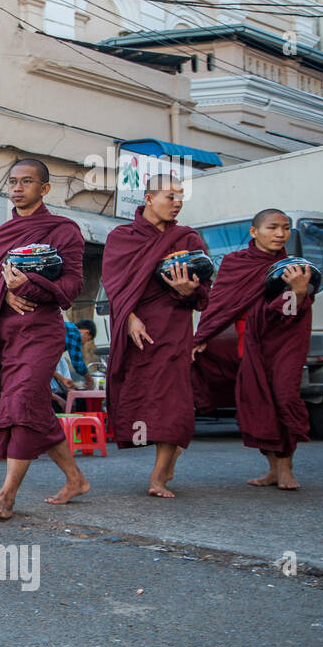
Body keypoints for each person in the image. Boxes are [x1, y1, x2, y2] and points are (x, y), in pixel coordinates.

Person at [0, 159, 90, 520]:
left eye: (27, 182)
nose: (17, 188)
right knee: (33, 408)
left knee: (21, 404)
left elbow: (71, 288)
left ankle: (6, 497)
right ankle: (75, 478)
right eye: (13, 182)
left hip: (40, 334)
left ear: (44, 189)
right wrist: (4, 294)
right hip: (6, 335)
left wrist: (29, 285)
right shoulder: (1, 235)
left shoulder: (64, 230)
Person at [102, 176, 209, 497]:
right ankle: (168, 456)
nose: (176, 202)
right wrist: (129, 318)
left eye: (180, 197)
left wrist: (187, 291)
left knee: (173, 401)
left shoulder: (187, 238)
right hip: (136, 330)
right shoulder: (123, 237)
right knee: (140, 395)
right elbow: (114, 284)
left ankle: (158, 476)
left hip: (174, 328)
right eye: (169, 195)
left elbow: (204, 289)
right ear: (148, 198)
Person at [193, 209, 311, 489]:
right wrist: (202, 336)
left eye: (285, 228)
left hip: (284, 341)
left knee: (284, 396)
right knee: (259, 401)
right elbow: (219, 305)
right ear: (254, 232)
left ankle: (286, 468)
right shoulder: (235, 263)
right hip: (250, 342)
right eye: (272, 227)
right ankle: (273, 468)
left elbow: (294, 312)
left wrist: (299, 292)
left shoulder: (295, 267)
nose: (280, 234)